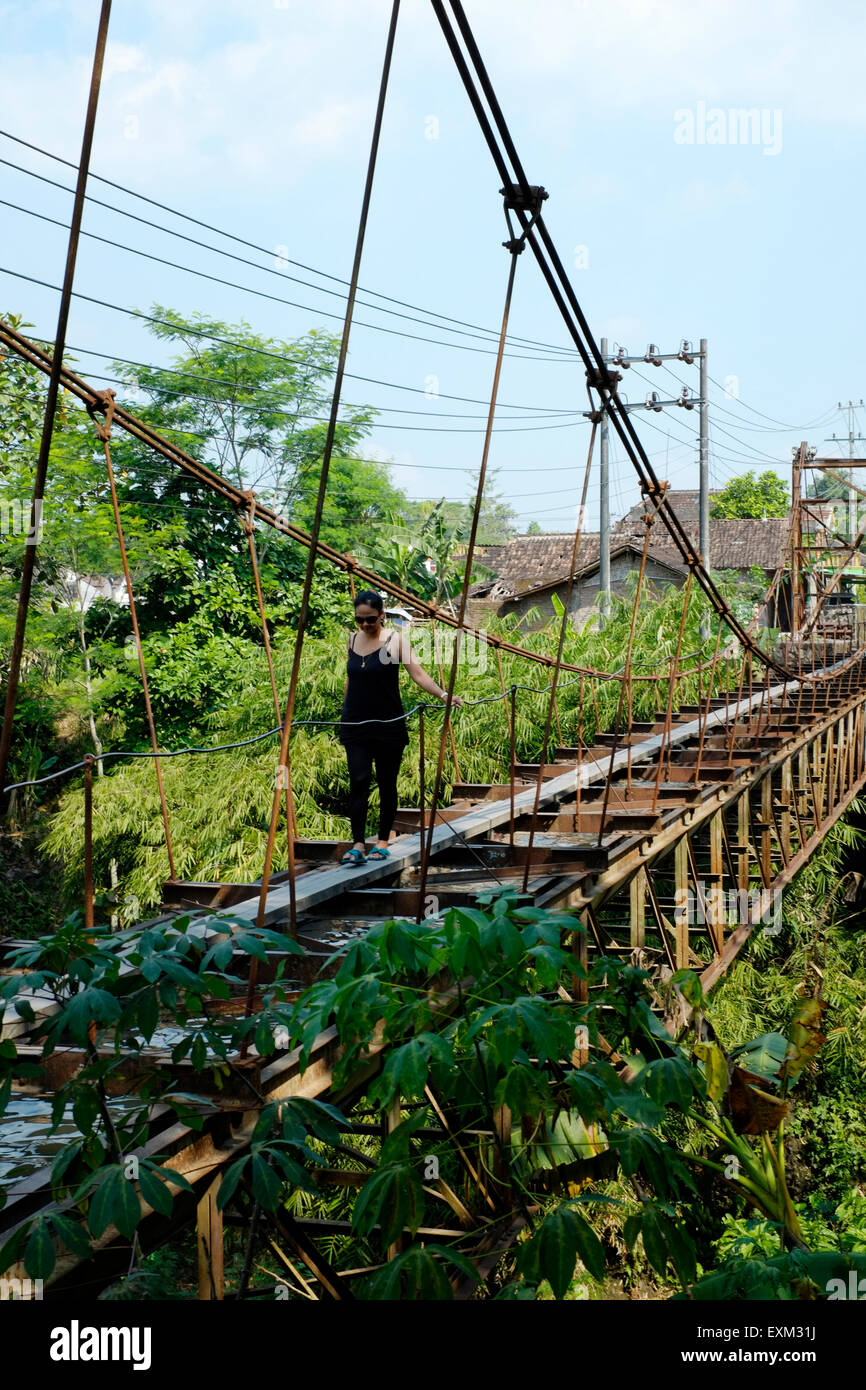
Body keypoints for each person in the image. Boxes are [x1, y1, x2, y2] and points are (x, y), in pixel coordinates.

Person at [339, 590, 463, 865]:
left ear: (382, 615)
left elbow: (417, 672)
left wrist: (444, 695)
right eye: (360, 619)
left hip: (387, 724)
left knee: (386, 783)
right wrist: (343, 711)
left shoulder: (396, 641)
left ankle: (382, 842)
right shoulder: (351, 640)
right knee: (358, 781)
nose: (365, 625)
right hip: (355, 722)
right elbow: (350, 678)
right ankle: (358, 843)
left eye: (370, 619)